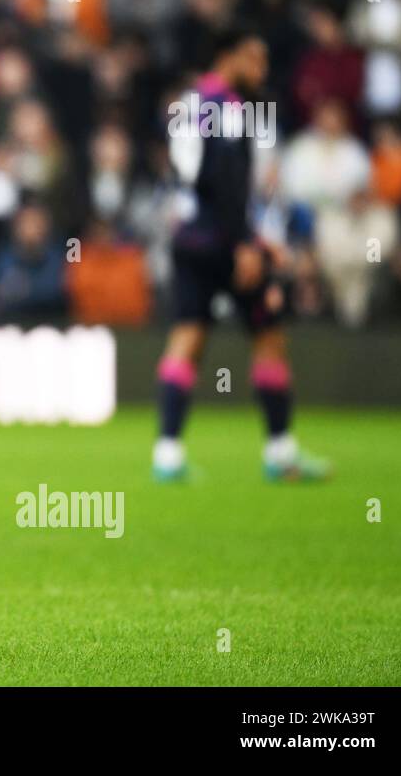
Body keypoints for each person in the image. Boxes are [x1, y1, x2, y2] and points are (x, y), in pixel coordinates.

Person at [154, 27, 329, 483]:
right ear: (228, 57)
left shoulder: (190, 104)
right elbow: (223, 186)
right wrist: (248, 244)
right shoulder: (227, 109)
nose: (262, 70)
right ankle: (280, 452)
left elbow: (187, 178)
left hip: (189, 239)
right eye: (255, 59)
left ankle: (167, 455)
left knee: (187, 338)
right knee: (269, 334)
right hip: (223, 242)